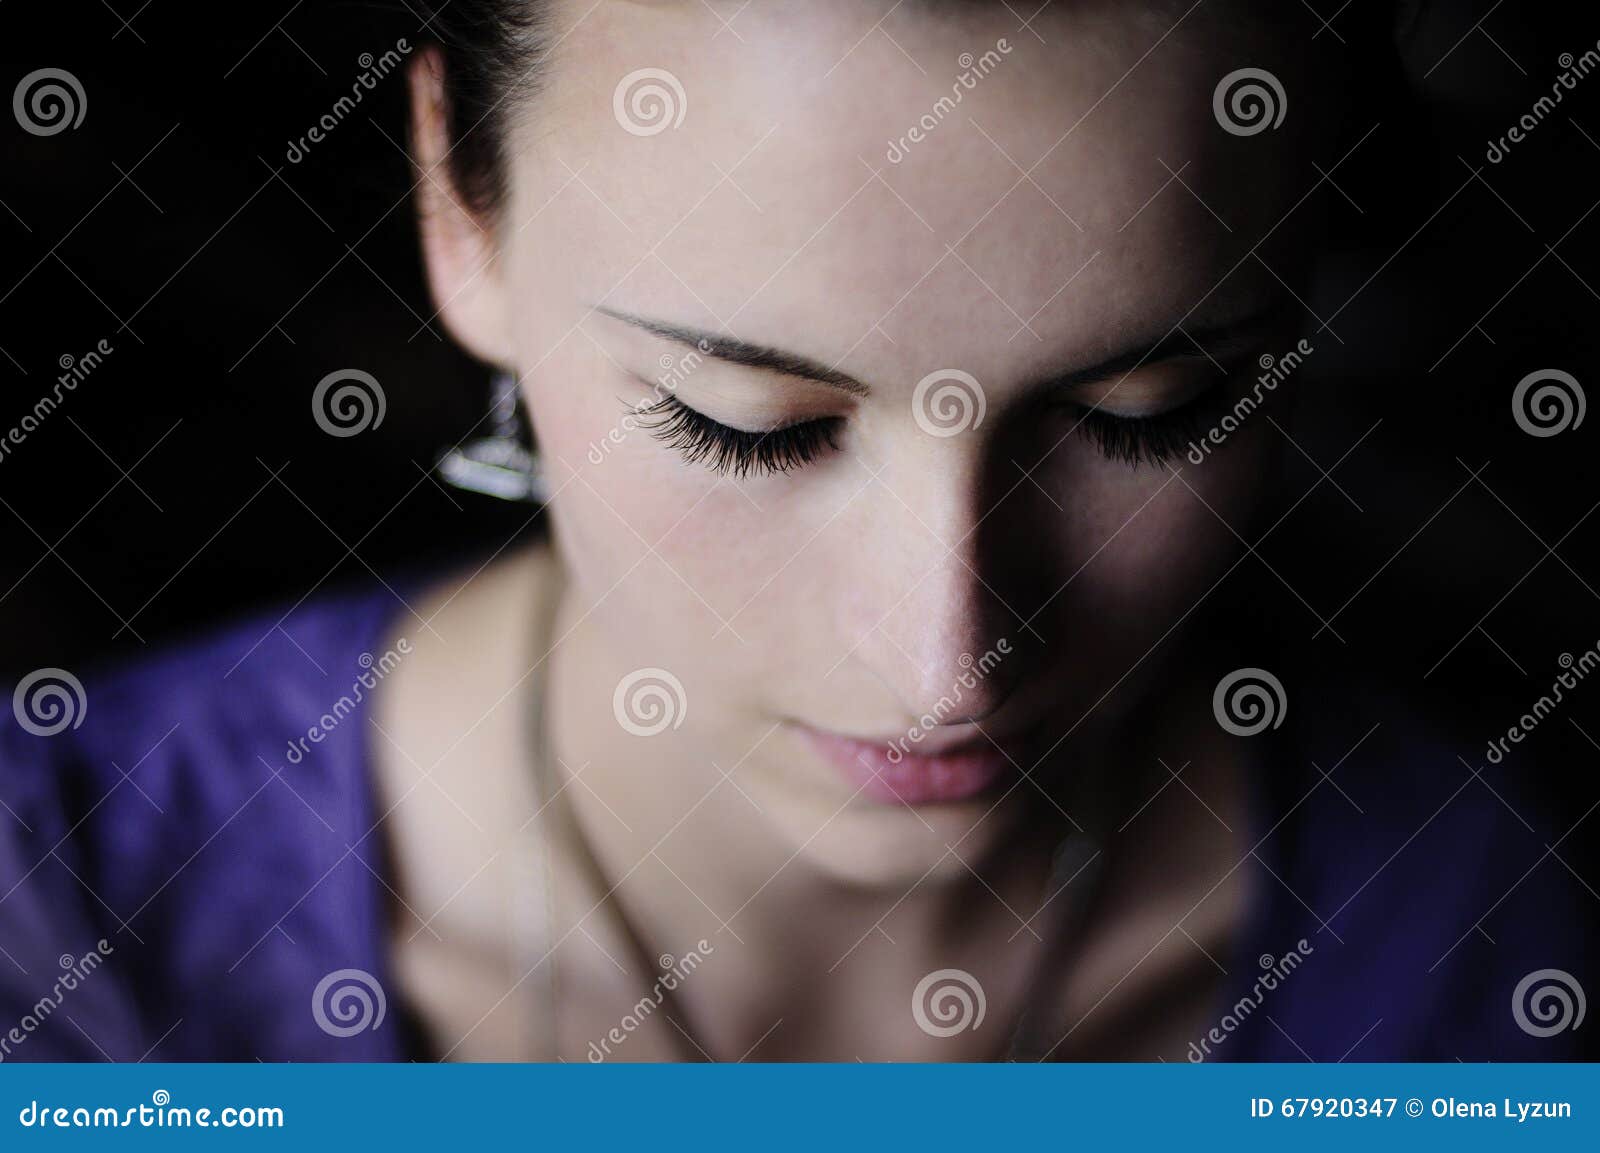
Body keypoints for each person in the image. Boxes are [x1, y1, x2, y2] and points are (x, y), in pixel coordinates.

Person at [0, 0, 1587, 1062]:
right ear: (457, 205)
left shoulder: (1466, 935)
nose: (948, 666)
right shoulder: (62, 941)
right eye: (747, 424)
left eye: (1150, 411)